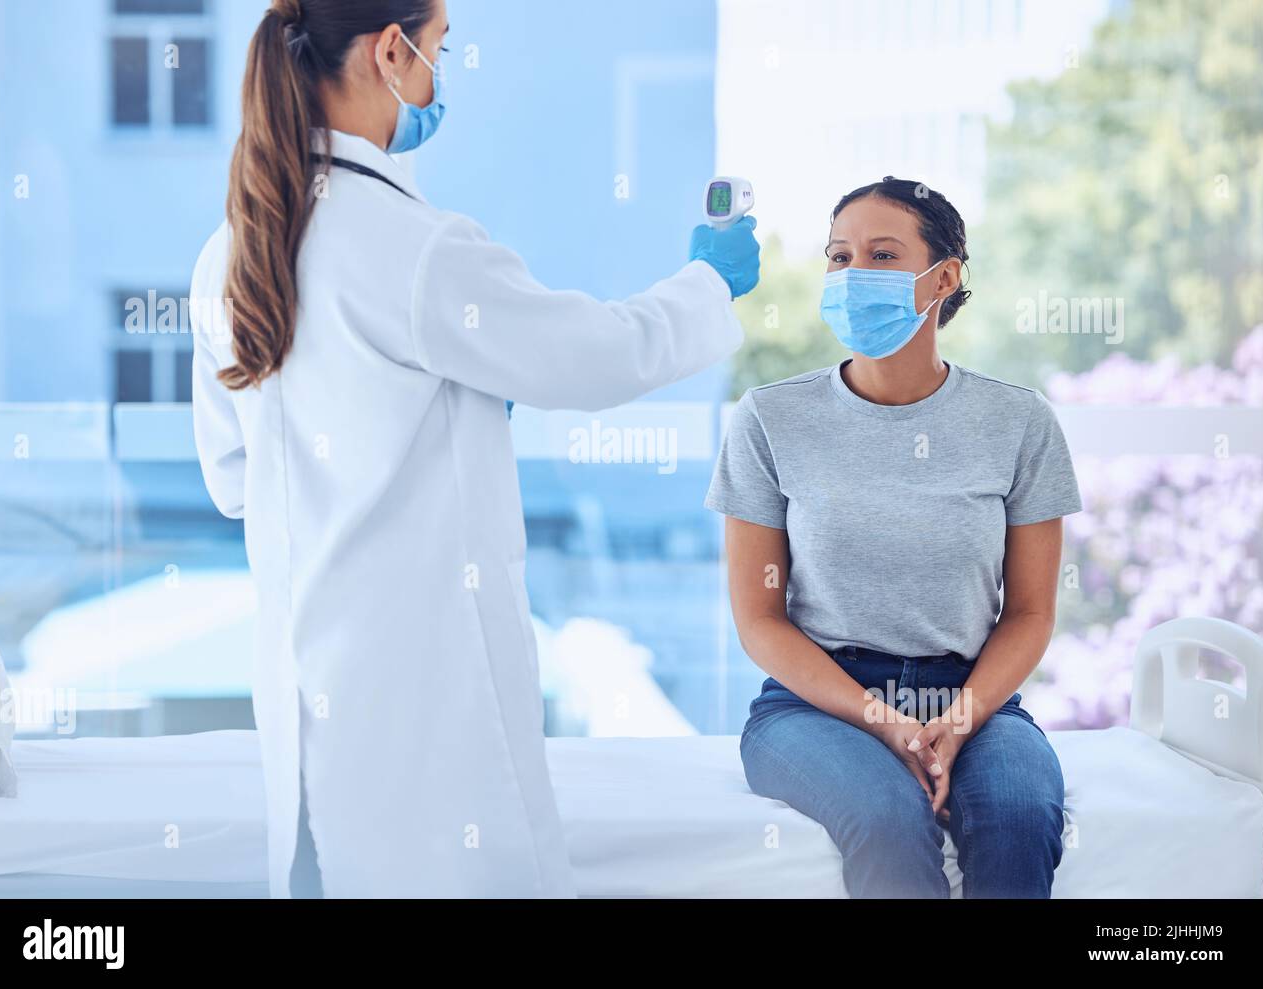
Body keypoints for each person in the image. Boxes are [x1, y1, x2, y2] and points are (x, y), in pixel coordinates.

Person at [190, 0, 759, 898]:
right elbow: (595, 355)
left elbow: (234, 480)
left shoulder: (228, 252)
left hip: (306, 710)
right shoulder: (416, 250)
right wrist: (706, 283)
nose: (437, 77)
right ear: (390, 51)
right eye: (438, 50)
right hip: (426, 706)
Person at [706, 176, 1079, 898]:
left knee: (1021, 815)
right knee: (887, 817)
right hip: (813, 704)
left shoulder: (1019, 424)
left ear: (944, 278)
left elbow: (1030, 612)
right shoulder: (769, 420)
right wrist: (882, 721)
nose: (852, 277)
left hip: (971, 692)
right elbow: (759, 620)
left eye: (881, 255)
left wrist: (961, 717)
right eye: (838, 257)